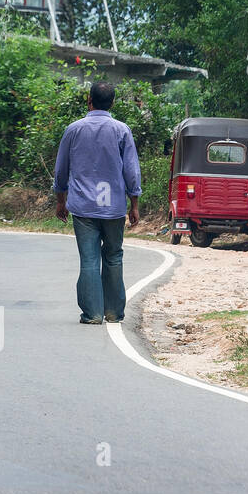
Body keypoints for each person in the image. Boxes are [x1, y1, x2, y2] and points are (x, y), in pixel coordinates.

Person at [53, 82, 142, 324]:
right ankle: (113, 312)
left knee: (90, 259)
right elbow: (131, 171)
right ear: (112, 103)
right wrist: (134, 204)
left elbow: (61, 170)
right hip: (113, 208)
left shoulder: (73, 130)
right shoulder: (122, 130)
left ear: (89, 100)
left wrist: (61, 201)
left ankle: (92, 314)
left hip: (83, 208)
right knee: (113, 256)